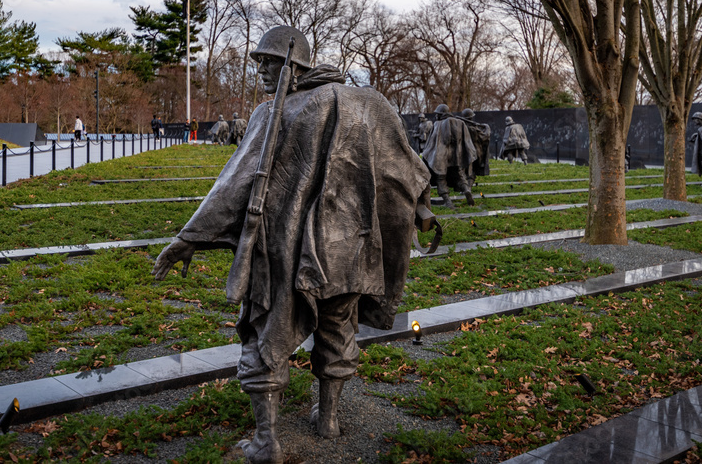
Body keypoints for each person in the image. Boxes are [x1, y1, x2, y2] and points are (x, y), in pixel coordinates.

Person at [152, 26, 435, 464]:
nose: (260, 69)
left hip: (288, 251)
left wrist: (189, 237)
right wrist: (423, 211)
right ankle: (328, 417)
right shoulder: (369, 105)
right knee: (338, 325)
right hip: (350, 250)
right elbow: (408, 168)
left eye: (268, 61)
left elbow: (234, 184)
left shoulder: (274, 112)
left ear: (294, 65)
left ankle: (268, 440)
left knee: (268, 332)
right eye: (257, 62)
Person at [421, 104, 476, 208]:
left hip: (441, 157)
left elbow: (431, 145)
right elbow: (467, 142)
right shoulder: (461, 123)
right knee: (460, 176)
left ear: (441, 114)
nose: (436, 116)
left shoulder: (437, 124)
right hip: (456, 157)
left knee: (440, 178)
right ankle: (467, 190)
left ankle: (448, 201)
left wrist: (426, 156)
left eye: (437, 114)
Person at [459, 109, 491, 178]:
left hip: (462, 152)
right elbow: (484, 137)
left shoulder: (460, 128)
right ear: (471, 117)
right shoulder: (472, 129)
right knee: (471, 171)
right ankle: (468, 186)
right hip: (474, 152)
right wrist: (487, 128)